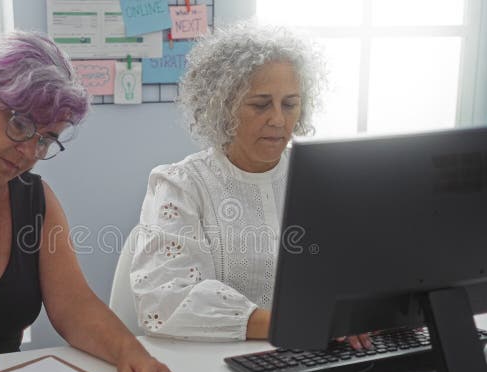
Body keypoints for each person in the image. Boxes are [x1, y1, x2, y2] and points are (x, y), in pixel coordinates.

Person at [0, 31, 193, 372]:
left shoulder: (35, 198)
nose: (29, 152)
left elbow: (73, 306)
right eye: (21, 124)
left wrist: (133, 353)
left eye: (46, 140)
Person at [130, 22, 372, 350]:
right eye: (260, 105)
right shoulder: (181, 185)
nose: (278, 119)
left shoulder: (325, 178)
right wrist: (298, 322)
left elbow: (359, 269)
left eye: (290, 104)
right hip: (216, 358)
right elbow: (166, 299)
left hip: (323, 348)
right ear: (223, 106)